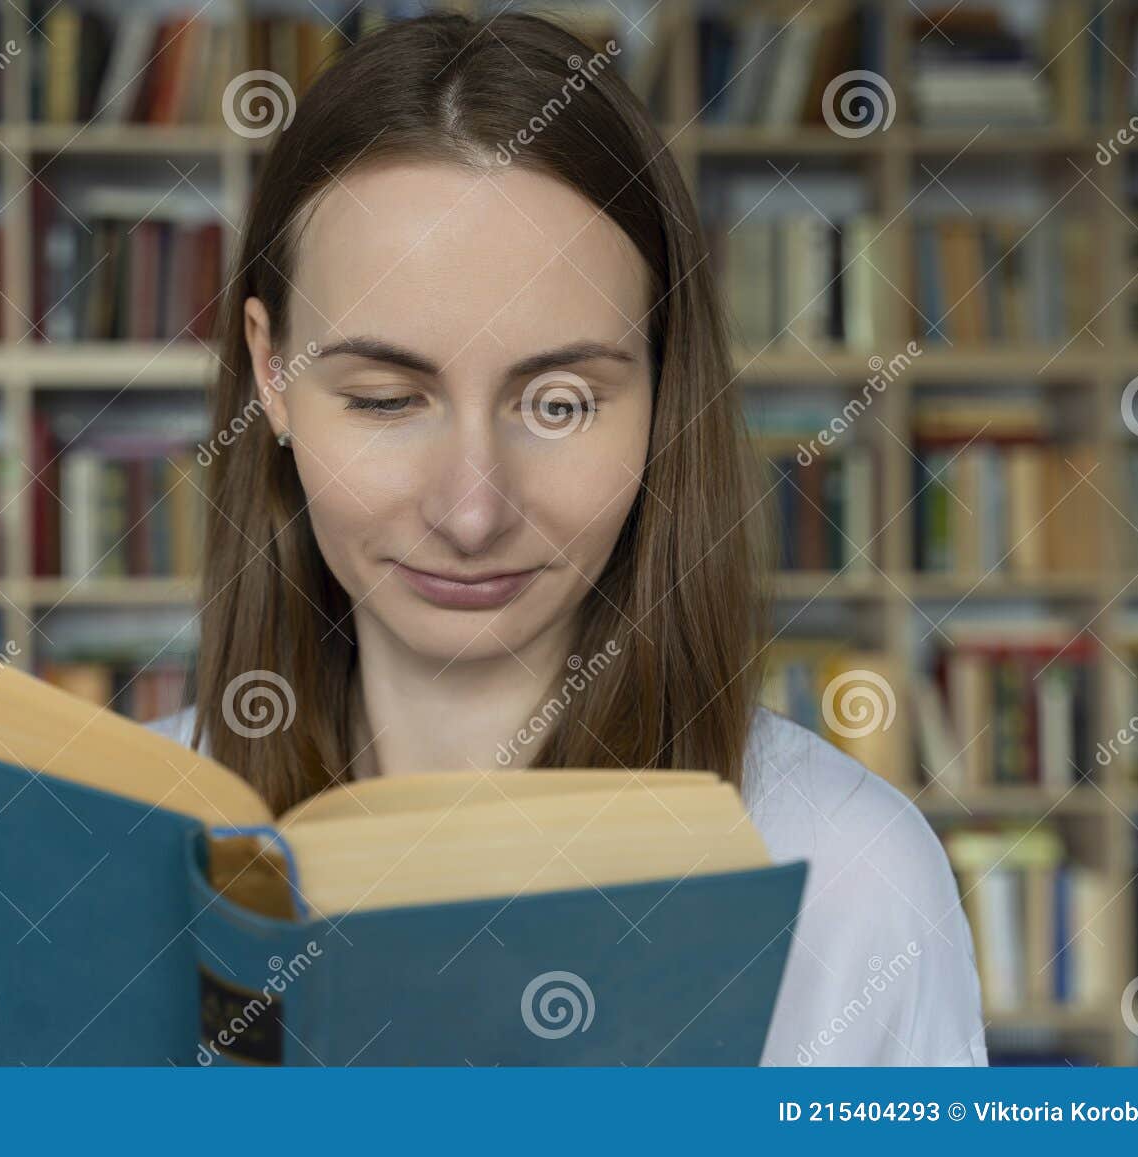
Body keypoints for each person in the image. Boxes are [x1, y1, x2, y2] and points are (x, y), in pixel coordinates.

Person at [148, 11, 987, 1066]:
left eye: (558, 402)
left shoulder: (852, 875)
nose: (470, 511)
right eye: (383, 398)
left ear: (661, 386)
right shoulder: (119, 849)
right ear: (271, 374)